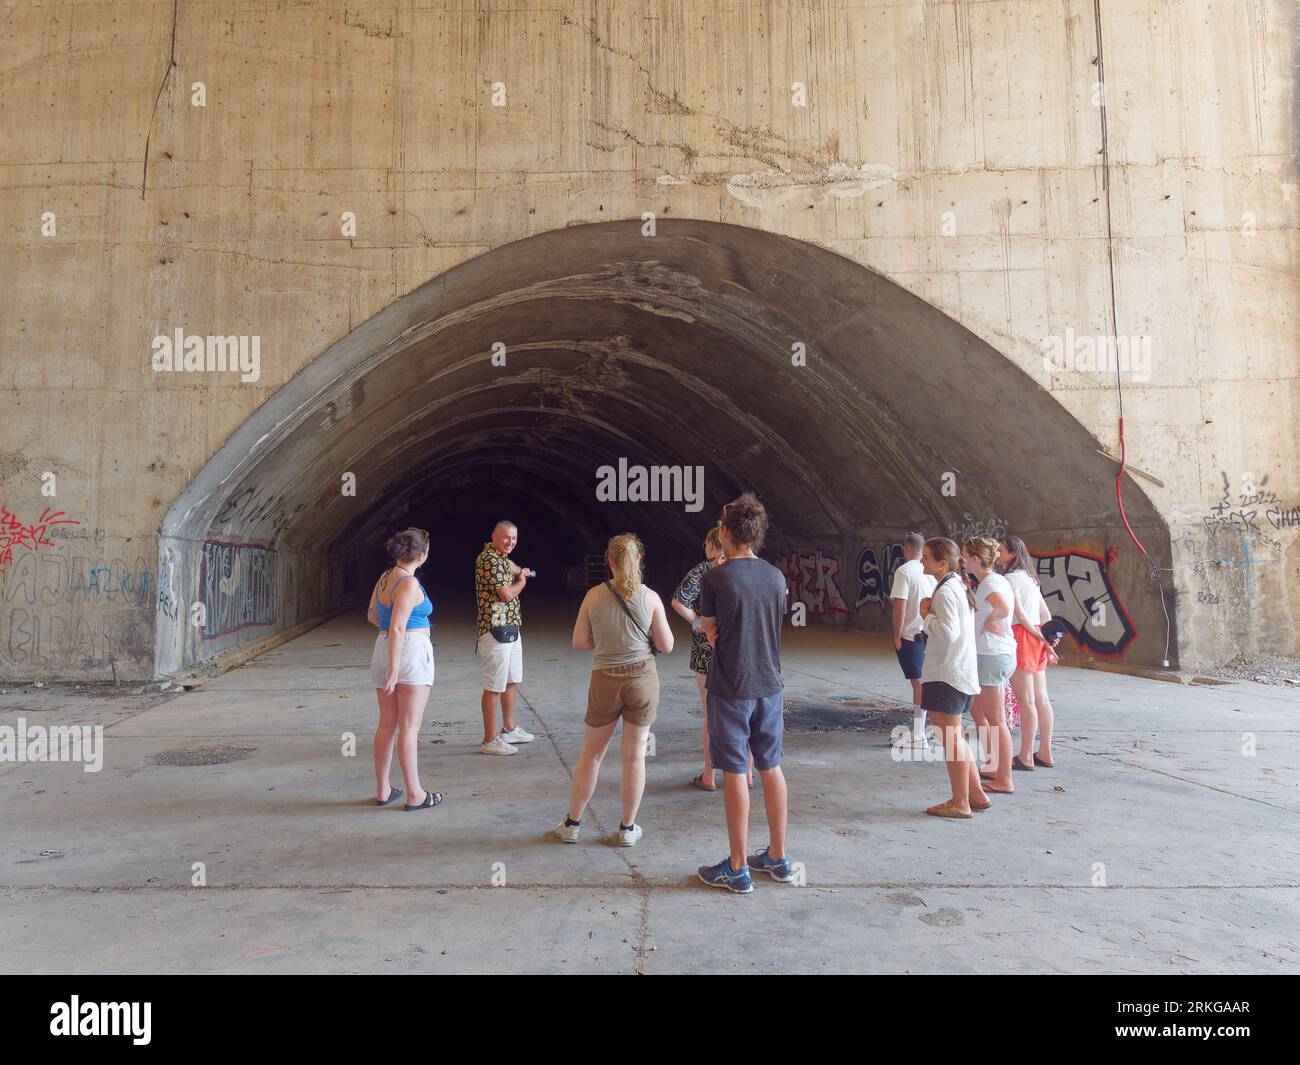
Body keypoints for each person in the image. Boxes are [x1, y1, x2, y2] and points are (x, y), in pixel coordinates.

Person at [696, 492, 795, 894]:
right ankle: (778, 856)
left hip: (731, 685)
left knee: (736, 770)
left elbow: (709, 630)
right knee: (771, 766)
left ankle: (737, 867)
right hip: (769, 685)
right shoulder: (776, 577)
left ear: (724, 533)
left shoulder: (715, 578)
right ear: (756, 535)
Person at [556, 534, 674, 847]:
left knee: (591, 755)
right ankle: (626, 828)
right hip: (642, 680)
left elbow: (579, 642)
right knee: (635, 758)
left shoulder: (593, 596)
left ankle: (572, 824)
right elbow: (667, 645)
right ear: (638, 560)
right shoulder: (651, 598)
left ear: (609, 562)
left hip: (604, 679)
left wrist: (607, 641)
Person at [672, 527, 755, 790]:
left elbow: (678, 600)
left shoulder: (703, 570)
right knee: (746, 714)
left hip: (705, 651)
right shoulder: (746, 569)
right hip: (742, 650)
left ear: (712, 545)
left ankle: (709, 776)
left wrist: (695, 621)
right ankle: (748, 774)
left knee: (711, 715)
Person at [366, 528, 442, 811]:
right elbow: (399, 626)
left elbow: (374, 616)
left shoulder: (385, 578)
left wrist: (390, 657)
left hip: (382, 647)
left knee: (387, 725)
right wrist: (396, 668)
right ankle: (415, 794)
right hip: (409, 653)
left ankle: (383, 789)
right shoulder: (409, 584)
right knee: (410, 729)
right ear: (421, 555)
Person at [917, 537, 987, 818]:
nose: (922, 561)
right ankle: (976, 794)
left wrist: (925, 615)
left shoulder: (946, 592)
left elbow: (947, 633)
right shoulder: (957, 585)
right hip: (959, 672)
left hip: (947, 674)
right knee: (956, 738)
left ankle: (960, 803)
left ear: (942, 563)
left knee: (950, 740)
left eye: (926, 557)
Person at [474, 521, 537, 755]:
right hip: (495, 629)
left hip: (510, 627)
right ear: (494, 536)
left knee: (512, 680)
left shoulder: (500, 557)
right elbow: (507, 593)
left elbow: (512, 566)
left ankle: (509, 730)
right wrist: (522, 580)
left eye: (514, 538)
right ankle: (489, 740)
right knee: (494, 686)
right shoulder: (489, 559)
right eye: (505, 538)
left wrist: (520, 571)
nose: (510, 542)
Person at [962, 537, 1017, 794]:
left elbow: (1004, 608)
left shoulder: (989, 584)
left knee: (997, 720)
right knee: (979, 713)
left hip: (992, 655)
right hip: (994, 655)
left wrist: (989, 621)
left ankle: (1004, 778)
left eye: (965, 555)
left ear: (975, 558)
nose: (962, 559)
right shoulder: (993, 580)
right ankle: (994, 764)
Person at [998, 535, 1053, 770]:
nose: (997, 554)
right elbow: (1046, 615)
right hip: (1037, 635)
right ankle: (1045, 752)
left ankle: (1025, 756)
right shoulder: (1031, 578)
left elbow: (1019, 615)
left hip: (1021, 635)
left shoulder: (1008, 579)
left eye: (1000, 550)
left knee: (1026, 700)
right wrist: (1045, 637)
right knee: (1041, 698)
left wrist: (1035, 635)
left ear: (1012, 554)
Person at [890, 532, 937, 748]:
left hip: (912, 635)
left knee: (919, 684)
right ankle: (932, 730)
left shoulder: (904, 571)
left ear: (904, 547)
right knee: (929, 683)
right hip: (932, 633)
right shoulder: (932, 570)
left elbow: (900, 606)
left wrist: (896, 635)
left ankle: (919, 736)